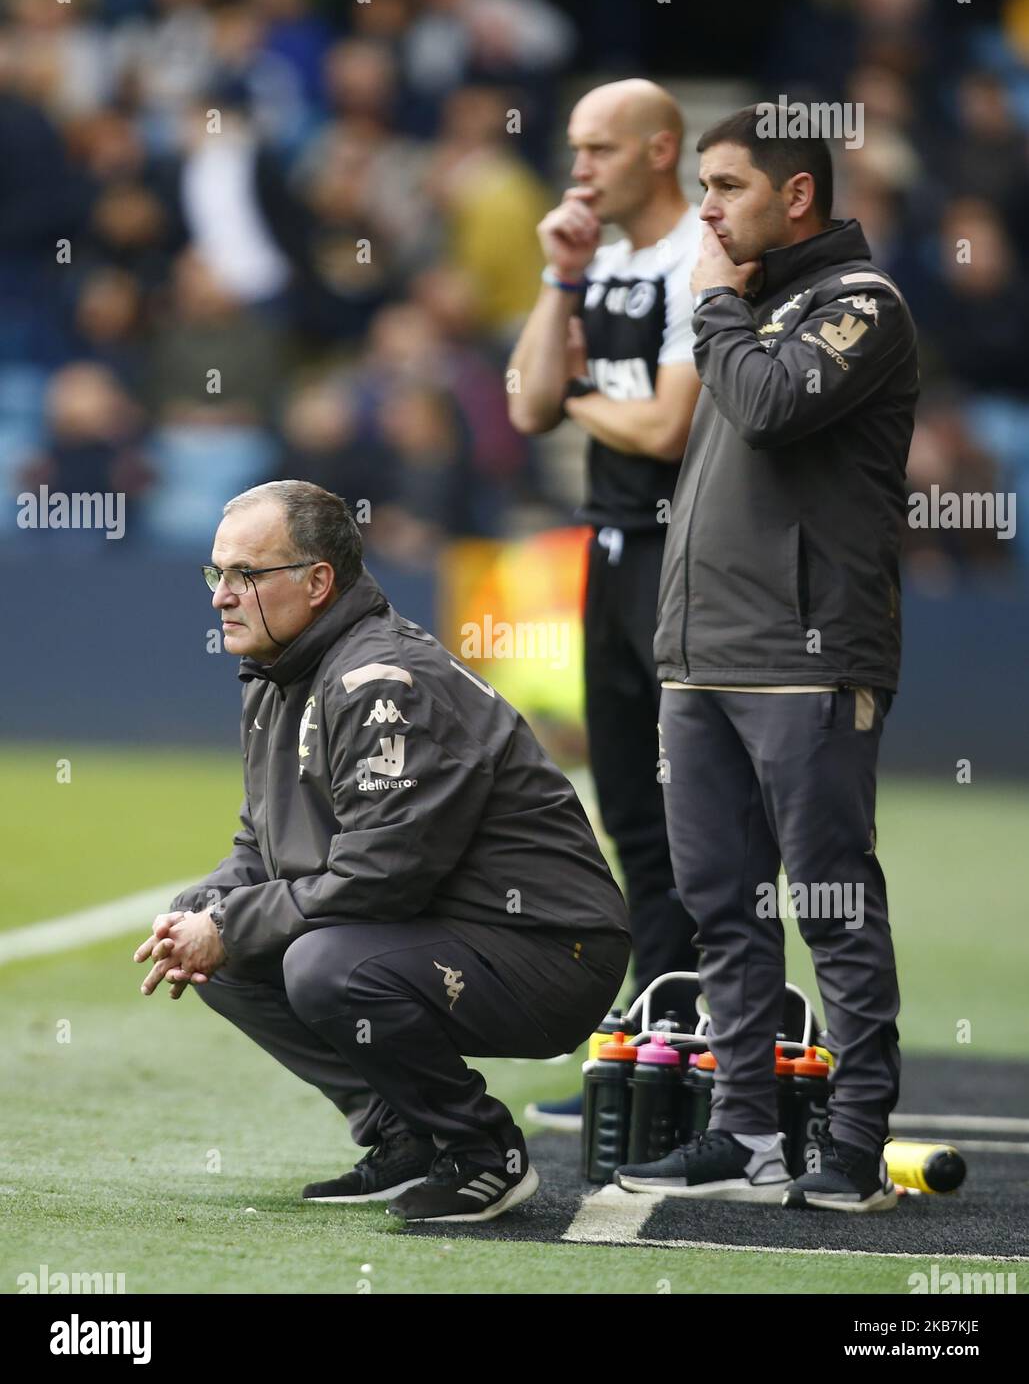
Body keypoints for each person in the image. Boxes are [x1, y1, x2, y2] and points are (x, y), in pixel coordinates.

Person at [132, 480, 630, 1224]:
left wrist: (231, 924)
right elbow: (260, 845)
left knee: (314, 962)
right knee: (207, 928)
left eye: (246, 575)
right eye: (217, 574)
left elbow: (381, 875)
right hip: (453, 927)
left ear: (317, 581)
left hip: (551, 948)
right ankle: (407, 1137)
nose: (221, 597)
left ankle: (483, 1153)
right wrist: (203, 920)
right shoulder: (280, 672)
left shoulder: (381, 682)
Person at [615, 106, 918, 1211]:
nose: (704, 209)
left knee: (831, 902)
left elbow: (769, 404)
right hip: (701, 657)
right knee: (721, 904)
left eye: (728, 186)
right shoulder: (748, 305)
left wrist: (710, 304)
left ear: (797, 196)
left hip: (808, 654)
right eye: (701, 186)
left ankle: (852, 1142)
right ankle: (746, 1129)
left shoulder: (859, 306)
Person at [507, 79, 703, 1129]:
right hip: (612, 547)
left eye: (599, 150)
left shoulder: (699, 257)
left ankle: (711, 1026)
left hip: (690, 558)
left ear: (658, 150)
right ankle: (662, 1020)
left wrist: (586, 396)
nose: (578, 167)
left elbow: (669, 428)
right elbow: (531, 402)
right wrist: (559, 276)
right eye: (574, 149)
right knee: (627, 801)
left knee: (697, 810)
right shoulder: (607, 263)